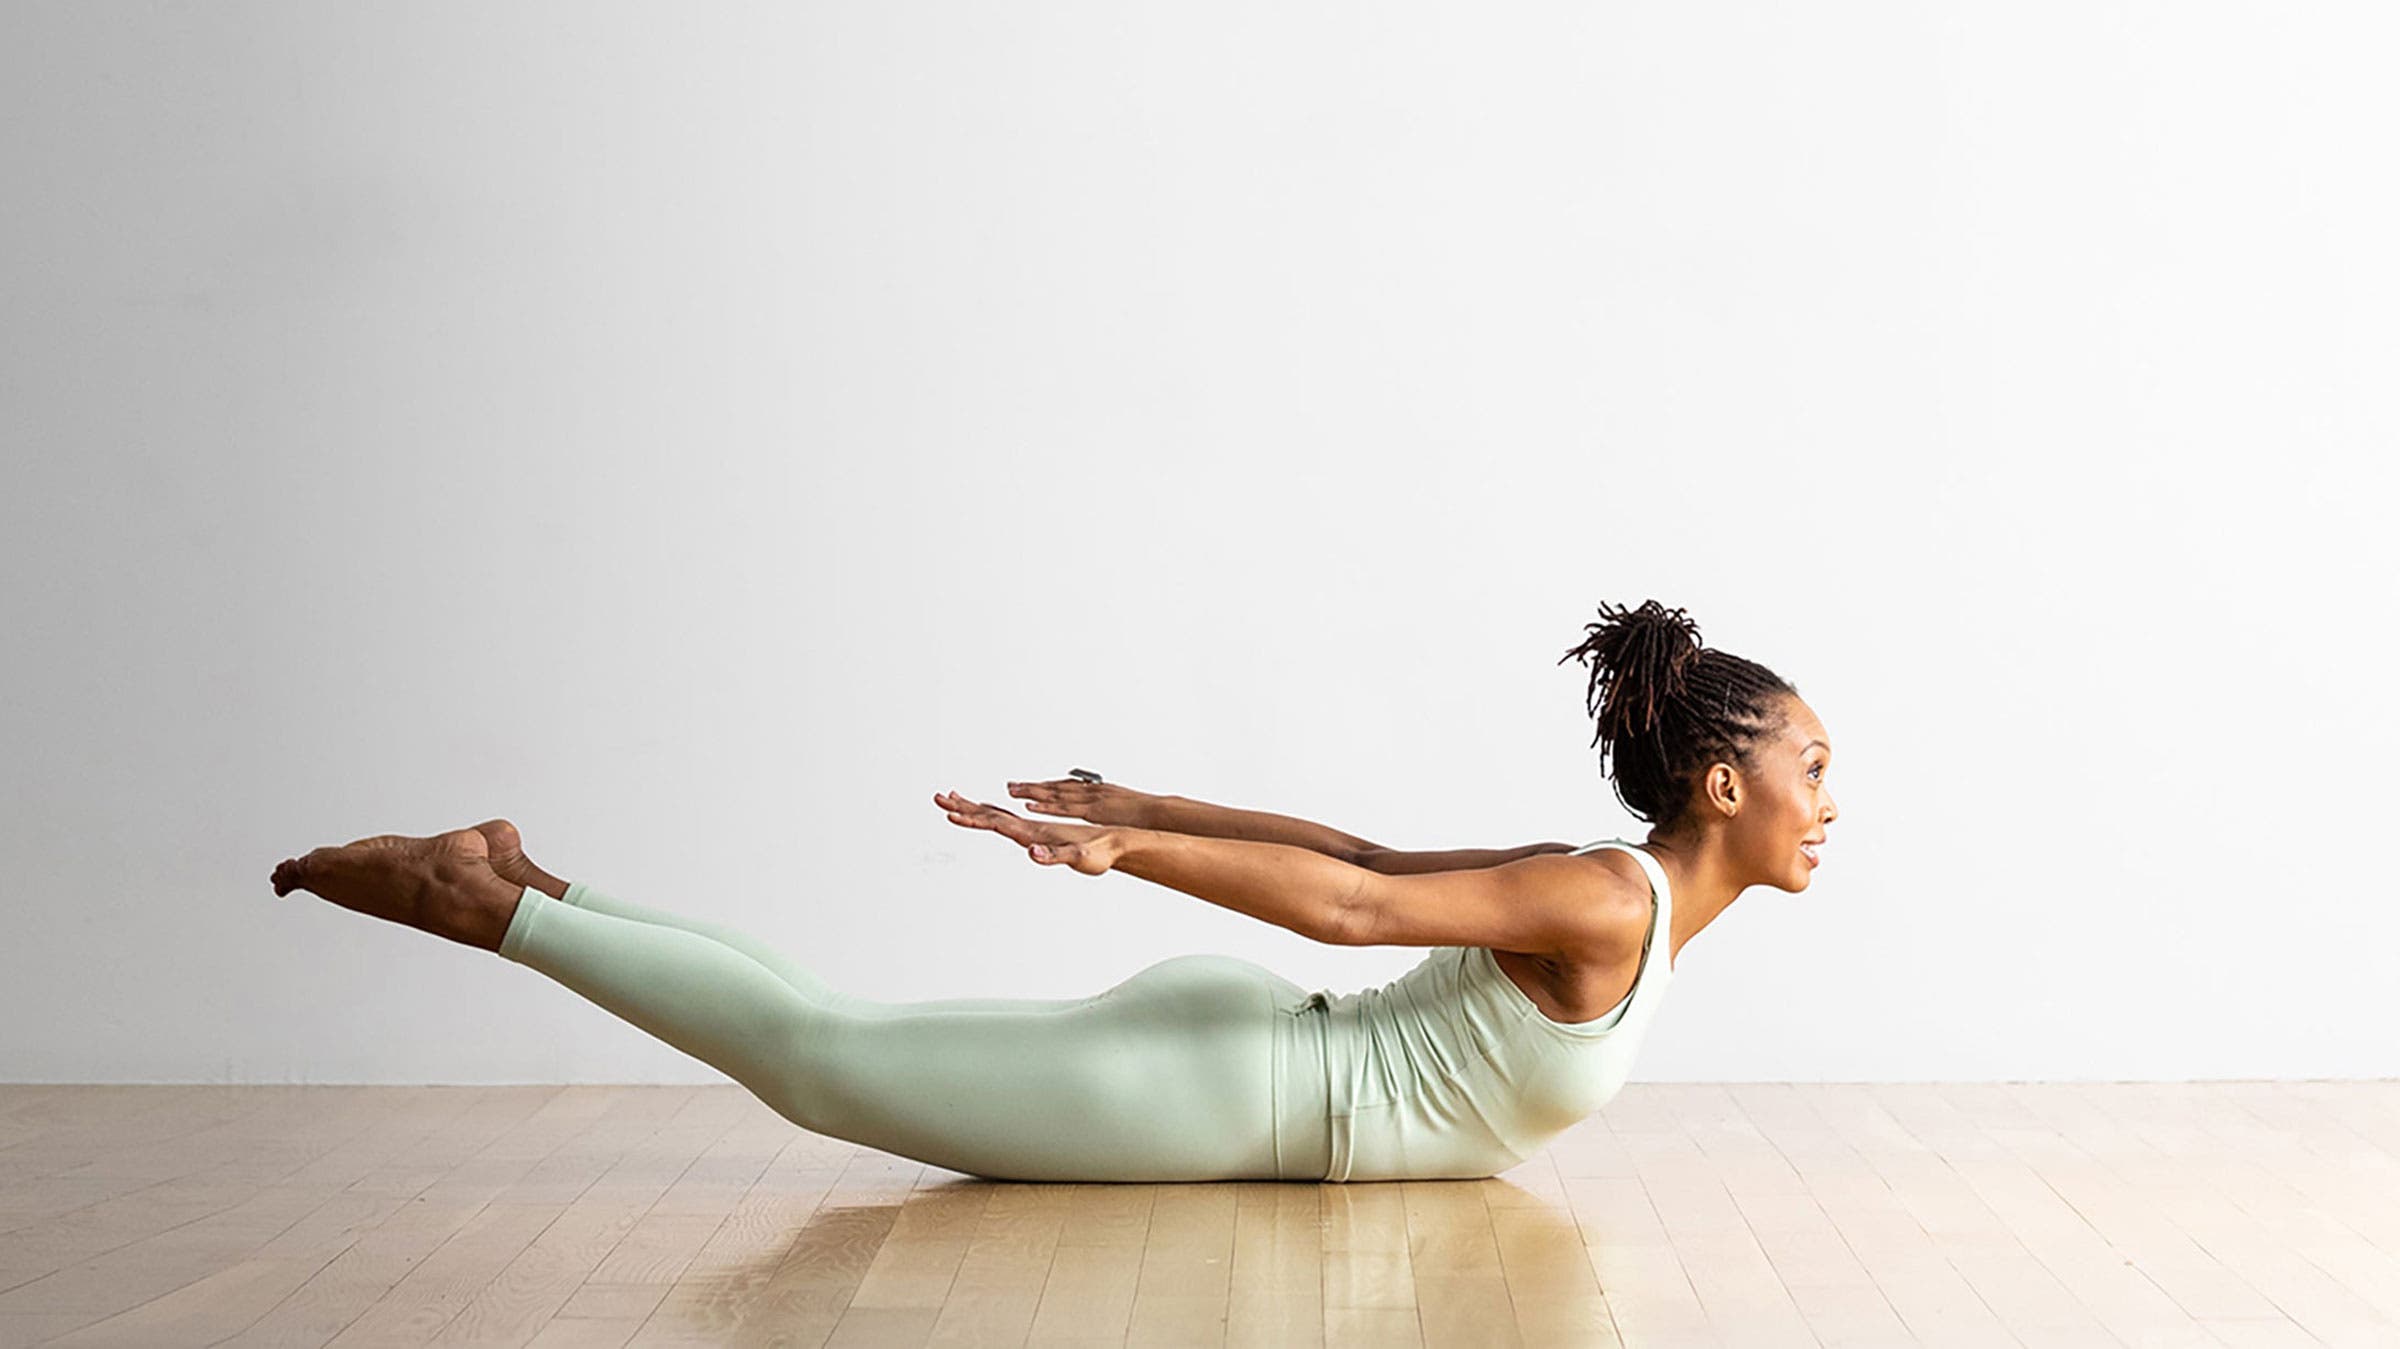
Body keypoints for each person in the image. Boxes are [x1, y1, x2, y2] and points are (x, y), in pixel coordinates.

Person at [269, 599, 1838, 1183]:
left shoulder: (1596, 891)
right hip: (1243, 1091)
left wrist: (1156, 807)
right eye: (1812, 768)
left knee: (837, 1031)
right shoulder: (1612, 903)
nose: (1827, 803)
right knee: (822, 1065)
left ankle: (530, 879)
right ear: (1723, 786)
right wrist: (1137, 839)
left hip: (1253, 1072)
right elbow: (1351, 904)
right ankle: (491, 907)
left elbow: (1363, 860)